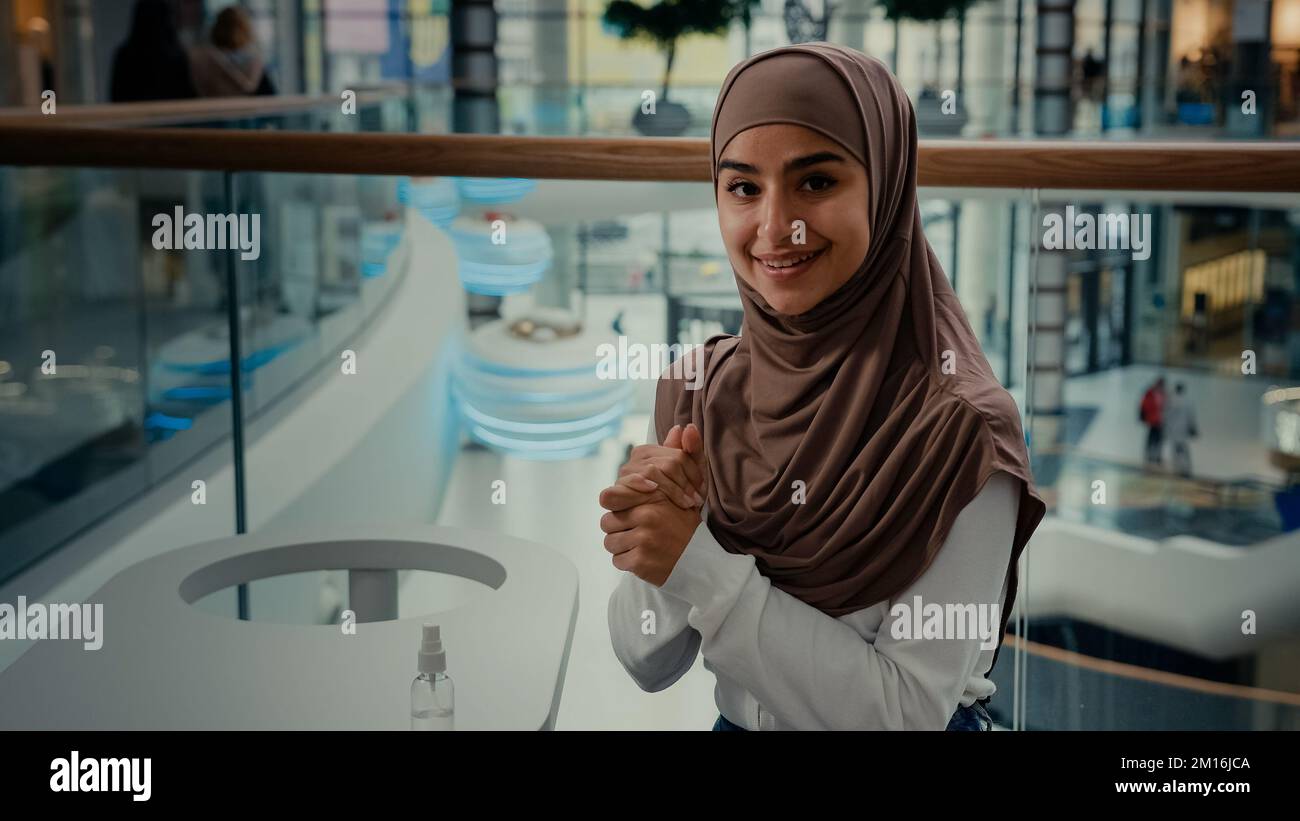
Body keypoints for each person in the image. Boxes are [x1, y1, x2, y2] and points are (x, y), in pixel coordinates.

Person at [599, 44, 1046, 731]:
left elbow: (905, 713)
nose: (778, 226)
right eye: (744, 187)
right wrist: (664, 541)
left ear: (888, 185)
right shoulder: (703, 392)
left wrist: (698, 562)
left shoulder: (959, 431)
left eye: (815, 183)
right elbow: (645, 660)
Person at [110, 0, 197, 102]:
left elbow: (116, 97)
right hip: (172, 115)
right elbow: (188, 96)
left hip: (134, 115)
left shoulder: (124, 55)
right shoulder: (177, 55)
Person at [189, 5, 276, 98]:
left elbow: (249, 86)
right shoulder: (252, 59)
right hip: (236, 108)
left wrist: (221, 61)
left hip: (215, 108)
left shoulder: (206, 57)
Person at [1164, 383, 1198, 477]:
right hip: (1183, 430)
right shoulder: (1187, 401)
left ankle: (1177, 469)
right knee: (1184, 450)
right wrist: (1193, 428)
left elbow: (1166, 416)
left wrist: (1166, 429)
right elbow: (1191, 417)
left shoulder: (1170, 400)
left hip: (1173, 430)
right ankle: (1186, 469)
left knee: (1175, 450)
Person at [1140, 377, 1166, 465]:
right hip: (1153, 420)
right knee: (1151, 438)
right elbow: (1145, 405)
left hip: (1160, 421)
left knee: (1159, 439)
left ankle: (1157, 456)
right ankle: (1149, 455)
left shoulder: (1164, 394)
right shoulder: (1150, 393)